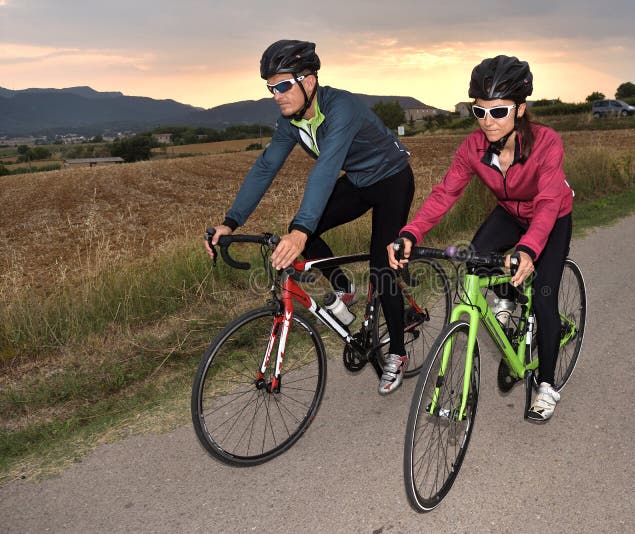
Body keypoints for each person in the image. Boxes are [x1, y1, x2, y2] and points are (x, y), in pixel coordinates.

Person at [206, 39, 415, 395]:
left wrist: (302, 231)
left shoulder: (342, 108)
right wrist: (231, 221)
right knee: (301, 229)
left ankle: (396, 351)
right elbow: (265, 168)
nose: (276, 95)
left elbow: (326, 168)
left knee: (381, 266)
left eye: (283, 85)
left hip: (392, 179)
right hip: (360, 181)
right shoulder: (291, 121)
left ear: (309, 80)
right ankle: (344, 287)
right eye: (270, 88)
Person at [388, 55, 573, 421]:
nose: (488, 121)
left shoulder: (546, 143)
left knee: (544, 302)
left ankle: (547, 385)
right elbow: (445, 194)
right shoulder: (473, 148)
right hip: (508, 212)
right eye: (479, 112)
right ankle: (504, 302)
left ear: (521, 109)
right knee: (477, 258)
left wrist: (528, 249)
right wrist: (410, 232)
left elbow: (549, 202)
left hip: (550, 219)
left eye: (499, 112)